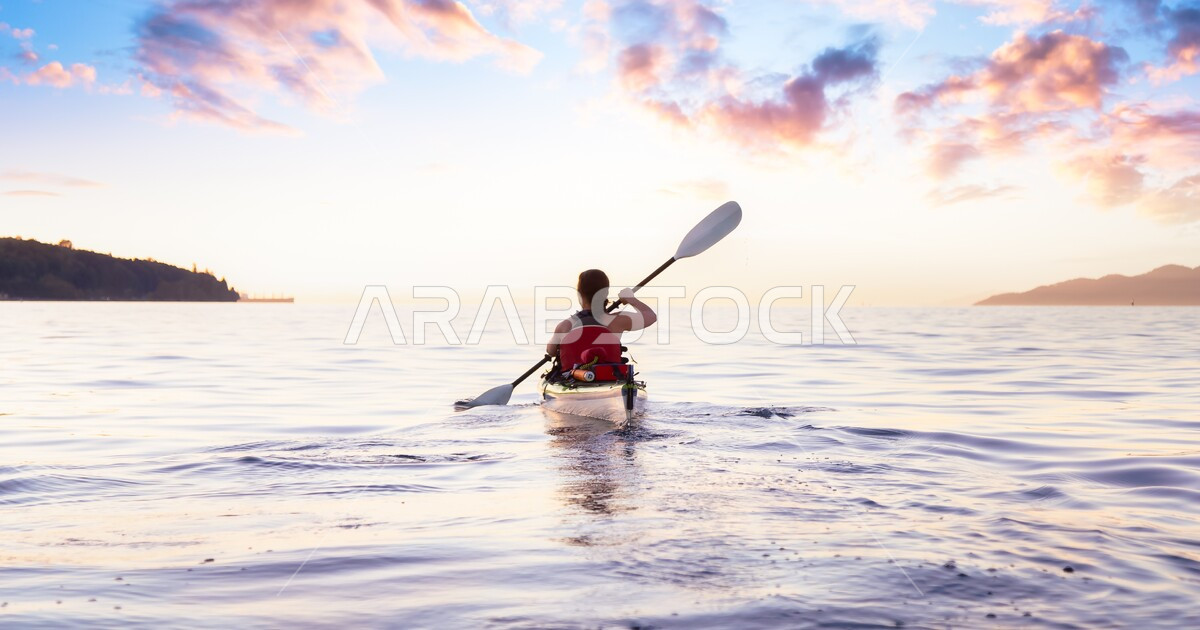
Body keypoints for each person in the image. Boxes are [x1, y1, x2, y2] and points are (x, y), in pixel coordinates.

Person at [545, 269, 657, 361]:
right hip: (609, 378)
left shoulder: (565, 326)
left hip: (574, 380)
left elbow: (551, 351)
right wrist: (631, 300)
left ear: (579, 294)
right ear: (606, 293)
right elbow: (651, 317)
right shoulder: (617, 321)